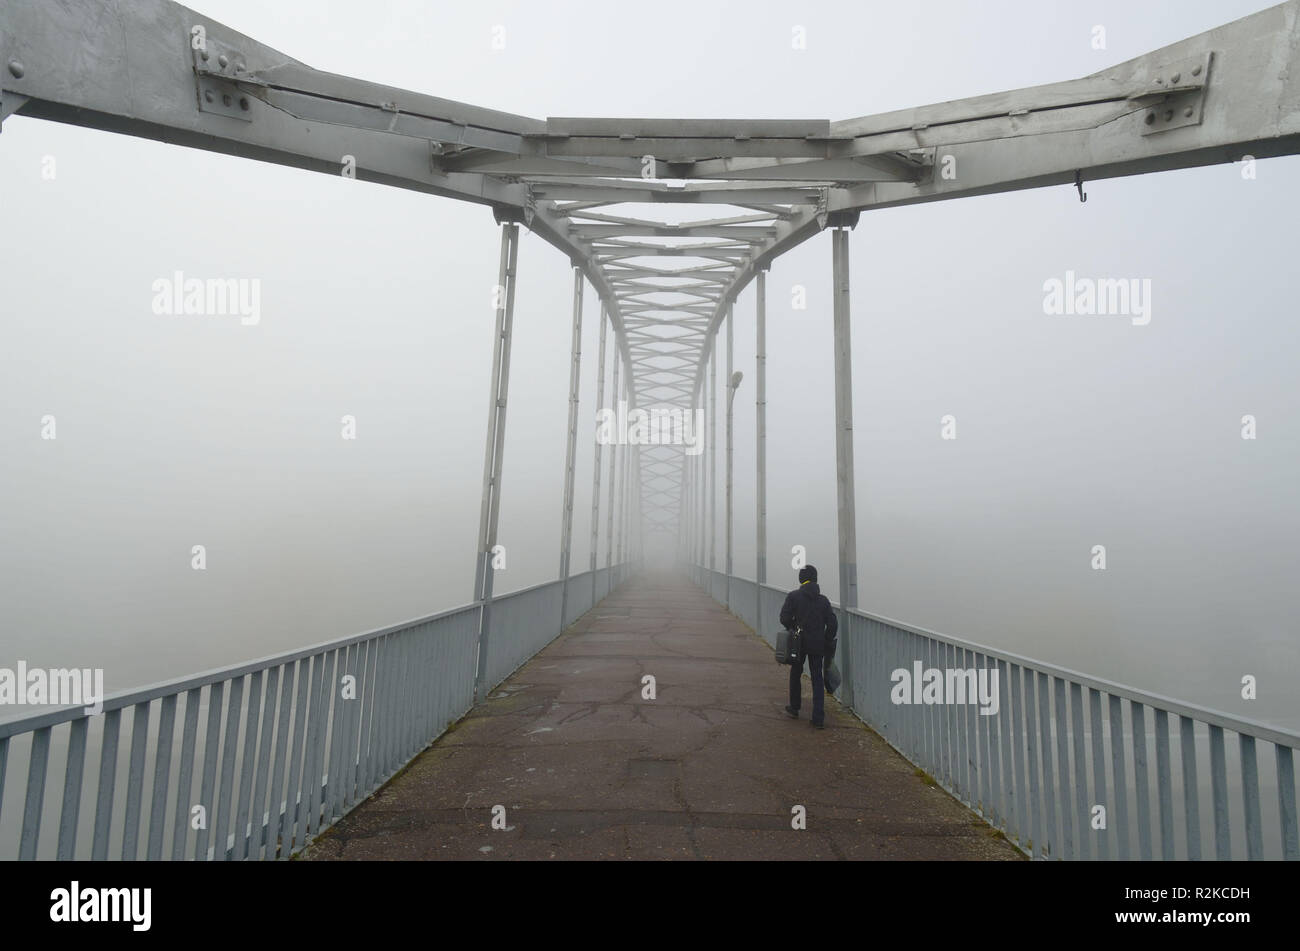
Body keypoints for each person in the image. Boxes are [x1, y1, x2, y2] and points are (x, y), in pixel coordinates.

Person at [779, 564, 838, 728]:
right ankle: (818, 717)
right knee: (817, 678)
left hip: (798, 643)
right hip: (818, 644)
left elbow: (784, 618)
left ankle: (794, 707)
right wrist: (826, 639)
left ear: (801, 579)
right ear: (815, 579)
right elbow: (832, 624)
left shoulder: (793, 597)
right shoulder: (823, 600)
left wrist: (793, 627)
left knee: (796, 673)